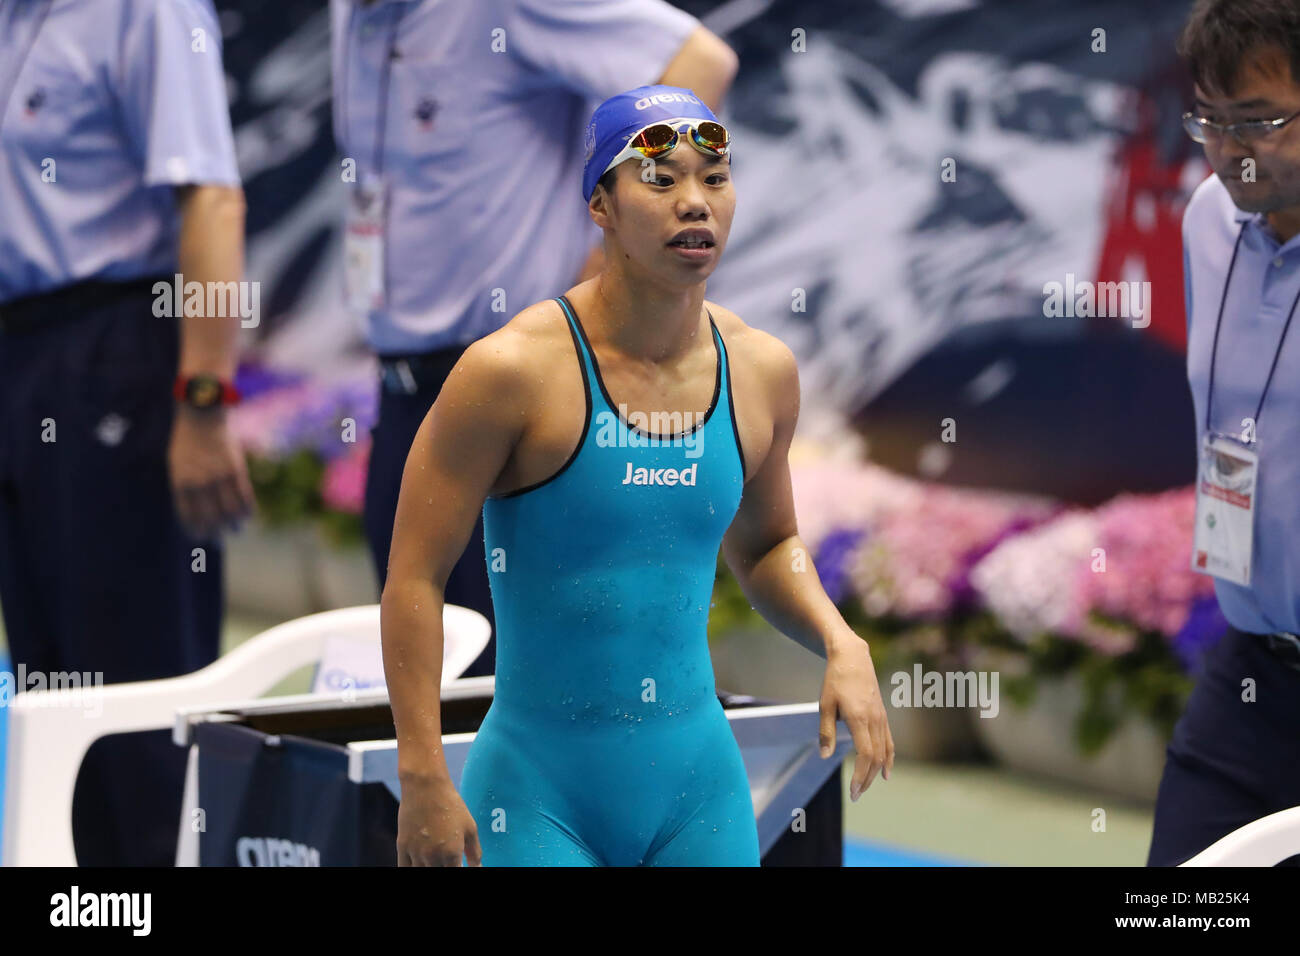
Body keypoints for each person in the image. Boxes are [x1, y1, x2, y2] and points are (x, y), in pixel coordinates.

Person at [380, 84, 895, 867]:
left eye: (715, 178)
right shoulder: (511, 373)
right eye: (660, 180)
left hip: (698, 793)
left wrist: (840, 639)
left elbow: (768, 545)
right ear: (601, 206)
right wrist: (420, 774)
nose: (695, 202)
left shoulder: (759, 372)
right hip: (536, 795)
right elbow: (415, 578)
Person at [331, 0, 737, 677]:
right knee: (428, 666)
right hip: (403, 391)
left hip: (519, 400)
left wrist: (611, 260)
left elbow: (700, 60)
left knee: (535, 682)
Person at [0, 0, 251, 865]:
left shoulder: (146, 10)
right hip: (19, 348)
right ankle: (88, 909)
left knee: (140, 697)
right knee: (46, 688)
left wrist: (204, 399)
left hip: (114, 346)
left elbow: (213, 197)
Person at [1149, 0, 1300, 866]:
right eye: (1210, 120)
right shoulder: (1208, 217)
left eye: (1260, 121)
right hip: (1253, 675)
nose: (1231, 149)